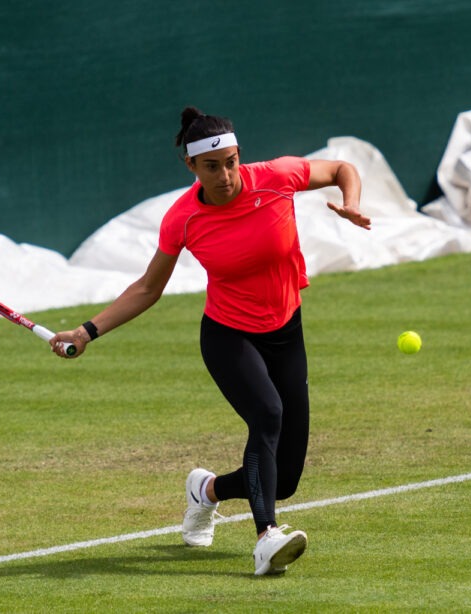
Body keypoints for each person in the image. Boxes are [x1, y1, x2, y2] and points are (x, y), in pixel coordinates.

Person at [50, 106, 371, 576]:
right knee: (267, 414)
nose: (226, 176)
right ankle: (267, 538)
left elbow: (343, 167)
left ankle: (207, 491)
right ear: (191, 167)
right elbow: (147, 288)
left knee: (286, 478)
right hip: (228, 336)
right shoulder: (181, 219)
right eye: (212, 167)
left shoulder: (277, 177)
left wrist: (352, 202)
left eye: (232, 162)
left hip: (286, 331)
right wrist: (87, 331)